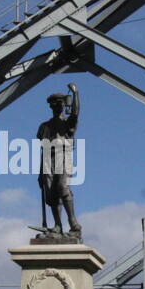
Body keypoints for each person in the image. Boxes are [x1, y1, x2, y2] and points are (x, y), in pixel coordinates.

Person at [36, 83, 81, 237]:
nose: (57, 106)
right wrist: (40, 171)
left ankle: (74, 224)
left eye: (60, 103)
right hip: (48, 159)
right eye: (54, 104)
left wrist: (75, 93)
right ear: (51, 107)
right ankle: (57, 226)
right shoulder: (44, 126)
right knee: (51, 194)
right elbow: (43, 149)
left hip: (64, 155)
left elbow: (75, 112)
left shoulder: (68, 123)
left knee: (62, 187)